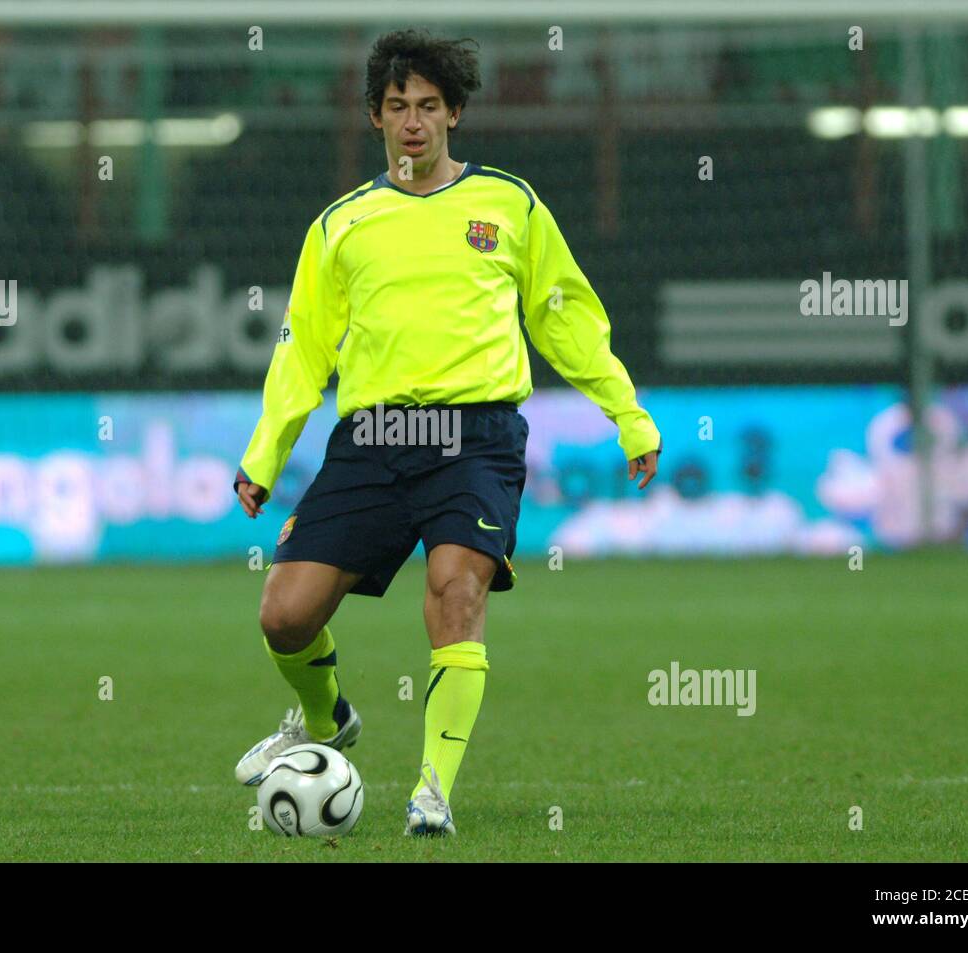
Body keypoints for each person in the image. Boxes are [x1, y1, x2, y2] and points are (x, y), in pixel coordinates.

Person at [232, 29, 661, 836]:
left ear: (455, 113)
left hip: (476, 438)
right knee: (284, 615)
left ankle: (432, 790)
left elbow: (565, 318)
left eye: (429, 106)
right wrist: (265, 455)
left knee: (456, 592)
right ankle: (328, 721)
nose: (413, 123)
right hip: (372, 440)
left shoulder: (509, 204)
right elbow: (303, 353)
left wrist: (627, 413)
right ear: (375, 118)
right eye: (397, 107)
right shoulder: (341, 226)